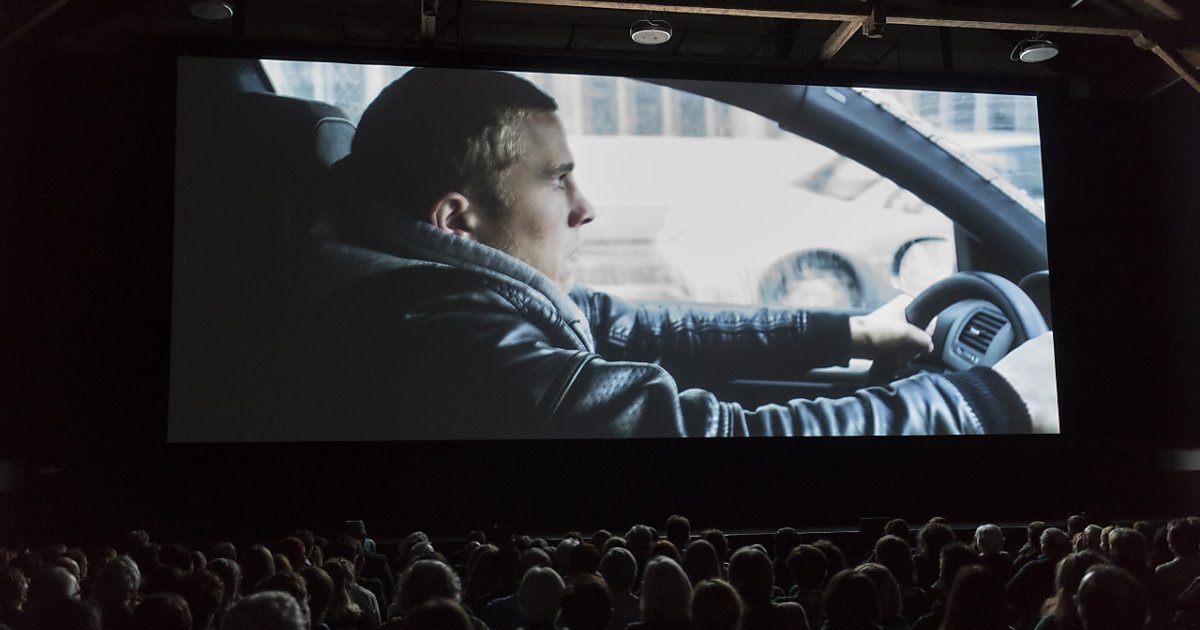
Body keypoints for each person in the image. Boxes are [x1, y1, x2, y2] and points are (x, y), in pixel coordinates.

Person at [286, 66, 1059, 441]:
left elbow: (629, 328)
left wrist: (850, 332)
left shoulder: (439, 284)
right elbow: (710, 439)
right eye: (558, 181)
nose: (587, 208)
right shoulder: (444, 339)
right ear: (457, 218)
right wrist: (987, 401)